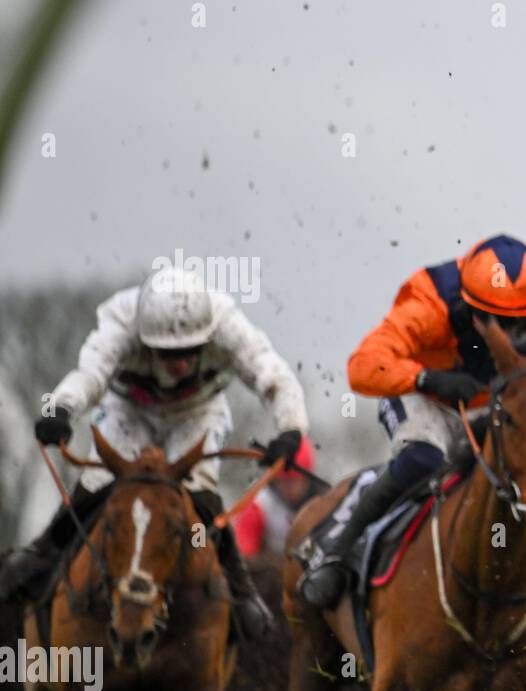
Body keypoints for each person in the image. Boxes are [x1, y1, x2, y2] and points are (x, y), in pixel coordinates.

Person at [296, 234, 526, 635]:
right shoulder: (429, 299)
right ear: (469, 306)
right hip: (421, 398)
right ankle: (336, 548)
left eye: (520, 323)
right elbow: (364, 366)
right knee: (424, 459)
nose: (507, 335)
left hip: (489, 406)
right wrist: (426, 376)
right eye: (497, 322)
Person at [0, 266, 308, 638]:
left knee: (200, 493)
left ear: (207, 336)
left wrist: (291, 429)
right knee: (97, 481)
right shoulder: (121, 320)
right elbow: (90, 375)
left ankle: (239, 589)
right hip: (129, 409)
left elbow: (272, 375)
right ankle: (43, 553)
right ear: (145, 340)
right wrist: (59, 410)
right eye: (165, 353)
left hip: (197, 411)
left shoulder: (226, 321)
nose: (178, 364)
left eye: (190, 352)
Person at [234, 434, 318, 559]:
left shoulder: (323, 506)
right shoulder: (258, 506)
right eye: (283, 481)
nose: (288, 488)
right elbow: (244, 556)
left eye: (294, 481)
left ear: (307, 479)